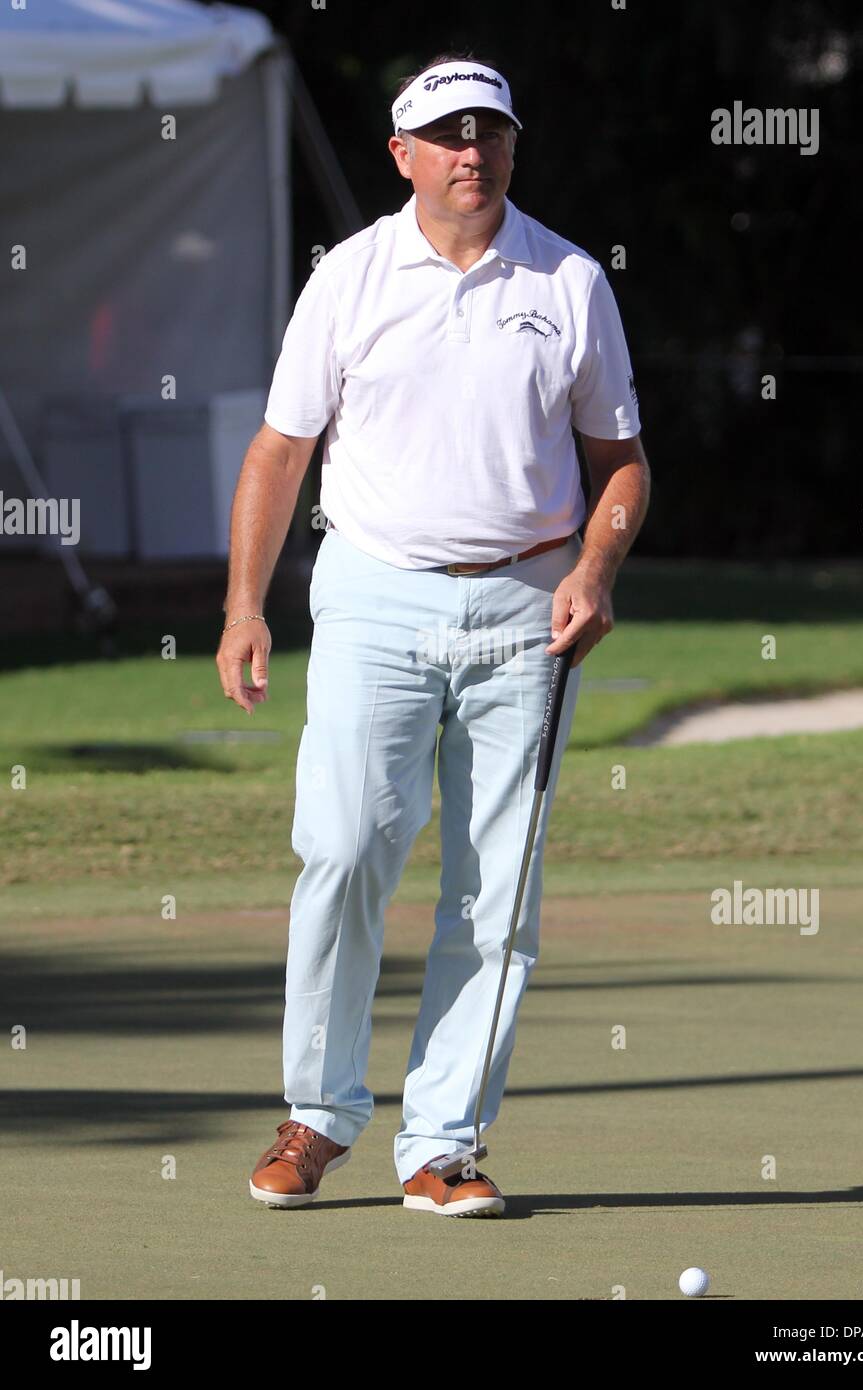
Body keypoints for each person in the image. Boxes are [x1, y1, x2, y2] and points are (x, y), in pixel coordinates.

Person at [216, 51, 650, 1218]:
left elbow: (619, 465)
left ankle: (443, 1144)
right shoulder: (349, 278)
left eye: (491, 132)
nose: (473, 150)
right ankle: (316, 1116)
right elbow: (277, 450)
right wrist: (244, 606)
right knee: (348, 846)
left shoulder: (567, 281)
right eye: (447, 133)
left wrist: (596, 568)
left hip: (528, 610)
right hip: (374, 593)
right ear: (401, 155)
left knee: (495, 889)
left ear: (512, 147)